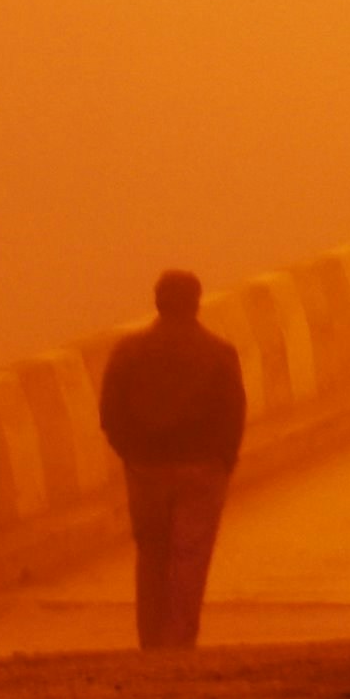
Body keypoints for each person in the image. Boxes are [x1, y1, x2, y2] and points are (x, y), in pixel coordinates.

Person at [97, 267, 245, 651]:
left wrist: (131, 453)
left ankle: (150, 644)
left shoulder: (128, 352)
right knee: (190, 558)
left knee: (151, 557)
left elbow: (110, 411)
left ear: (157, 302)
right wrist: (223, 461)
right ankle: (179, 644)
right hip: (202, 469)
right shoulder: (219, 353)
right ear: (196, 303)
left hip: (145, 468)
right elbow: (233, 413)